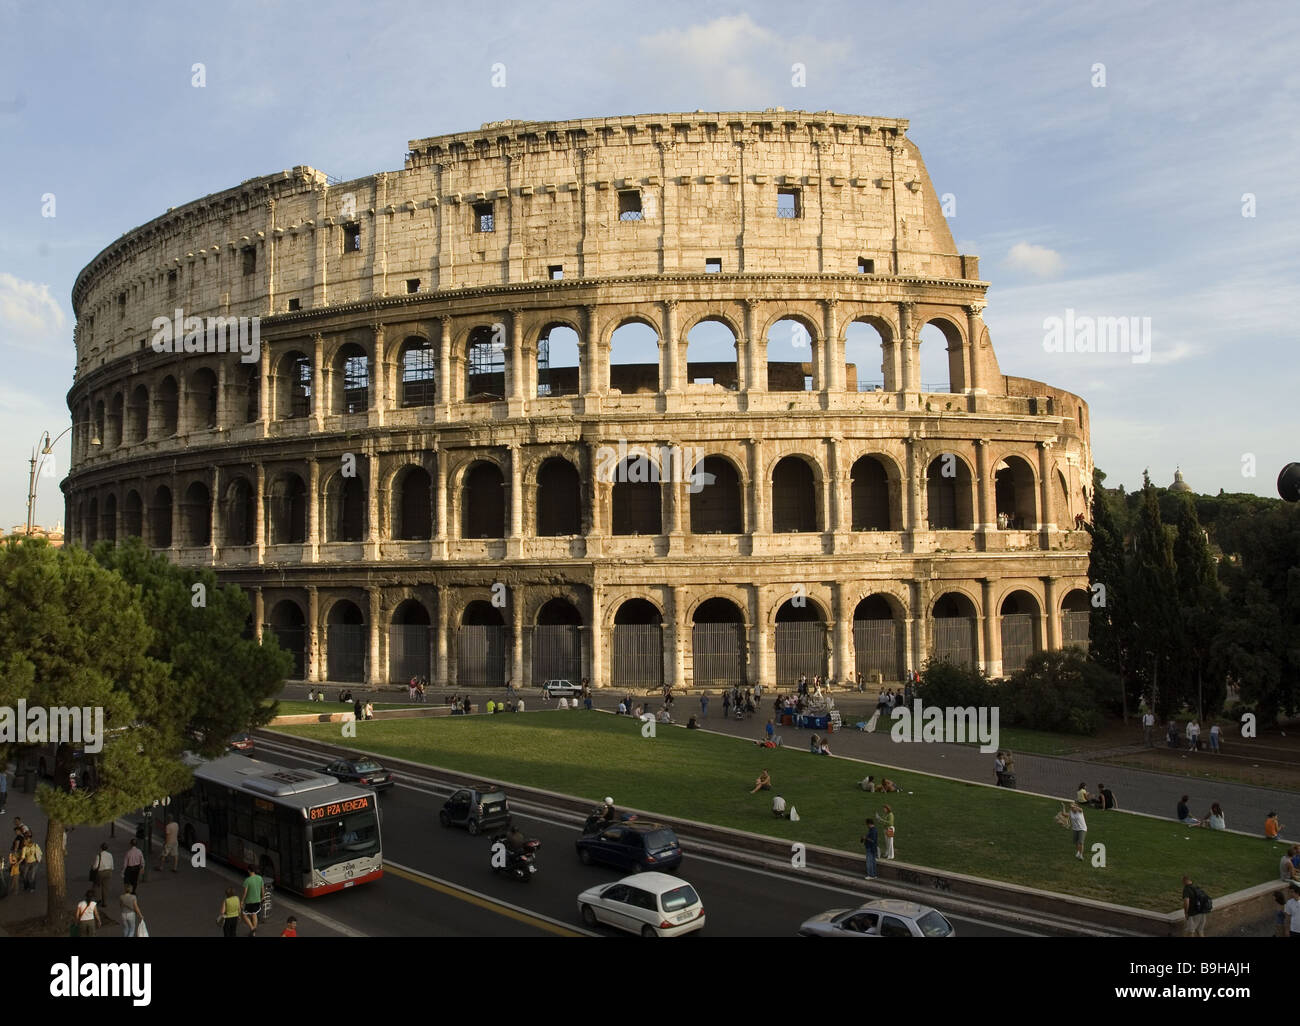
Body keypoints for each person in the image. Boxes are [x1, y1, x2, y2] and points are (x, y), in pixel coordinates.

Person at [241, 866, 264, 936]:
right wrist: (262, 897)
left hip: (249, 901)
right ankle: (254, 933)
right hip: (258, 900)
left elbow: (245, 893)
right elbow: (262, 889)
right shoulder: (260, 878)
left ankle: (252, 928)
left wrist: (242, 901)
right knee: (254, 914)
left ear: (249, 871)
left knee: (244, 915)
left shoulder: (247, 880)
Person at [92, 842, 114, 908]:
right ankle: (104, 902)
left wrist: (92, 867)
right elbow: (112, 865)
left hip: (101, 872)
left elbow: (95, 866)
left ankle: (98, 899)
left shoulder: (99, 855)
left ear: (101, 848)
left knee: (96, 886)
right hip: (108, 872)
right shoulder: (110, 855)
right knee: (105, 887)